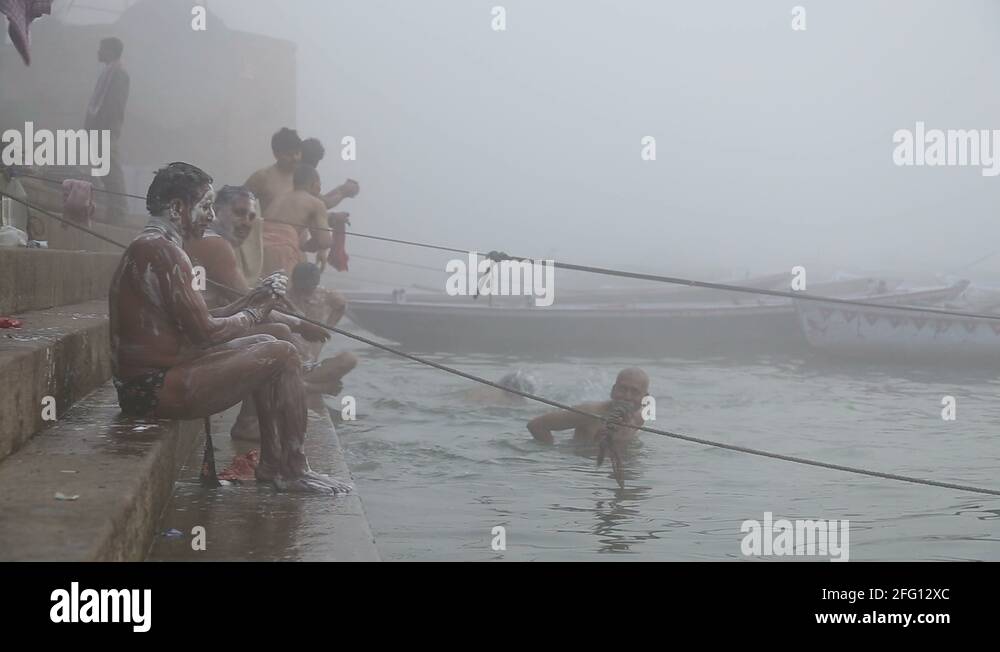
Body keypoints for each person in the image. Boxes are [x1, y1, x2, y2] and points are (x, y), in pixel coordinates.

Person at [108, 162, 349, 494]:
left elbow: (195, 321)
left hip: (158, 377)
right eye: (205, 207)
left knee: (271, 339)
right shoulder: (160, 249)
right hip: (151, 389)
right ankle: (292, 468)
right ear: (178, 208)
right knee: (281, 352)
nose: (208, 217)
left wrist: (255, 301)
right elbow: (205, 334)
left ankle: (274, 464)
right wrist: (254, 310)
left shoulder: (160, 244)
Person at [526, 368, 650, 445]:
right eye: (623, 389)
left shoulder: (639, 418)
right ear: (613, 391)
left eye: (634, 391)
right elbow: (536, 425)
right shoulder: (590, 413)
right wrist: (551, 452)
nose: (627, 396)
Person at [84, 37, 130, 224]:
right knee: (105, 170)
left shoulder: (119, 74)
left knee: (111, 171)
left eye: (101, 49)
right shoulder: (109, 72)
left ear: (110, 51)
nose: (98, 52)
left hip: (106, 131)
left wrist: (108, 130)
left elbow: (115, 105)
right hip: (99, 130)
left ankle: (119, 213)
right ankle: (114, 211)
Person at [260, 164, 335, 277]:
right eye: (320, 185)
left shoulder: (279, 197)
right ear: (315, 185)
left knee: (261, 290)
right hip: (281, 251)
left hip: (257, 248)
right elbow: (325, 241)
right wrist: (314, 247)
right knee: (284, 291)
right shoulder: (316, 203)